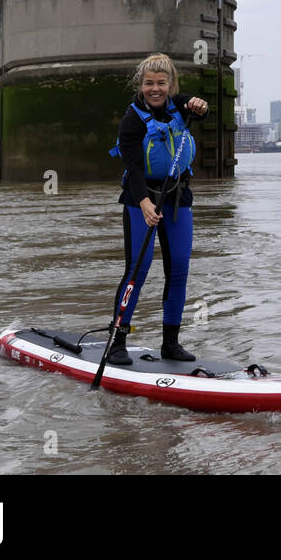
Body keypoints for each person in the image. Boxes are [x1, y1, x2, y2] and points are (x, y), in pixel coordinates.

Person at [106, 53, 209, 365]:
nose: (155, 89)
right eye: (149, 83)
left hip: (178, 199)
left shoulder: (178, 105)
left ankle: (171, 343)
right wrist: (145, 203)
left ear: (170, 84)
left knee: (178, 268)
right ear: (141, 84)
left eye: (161, 83)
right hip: (142, 199)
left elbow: (197, 108)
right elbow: (133, 168)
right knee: (138, 268)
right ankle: (117, 342)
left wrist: (200, 104)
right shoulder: (132, 121)